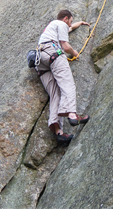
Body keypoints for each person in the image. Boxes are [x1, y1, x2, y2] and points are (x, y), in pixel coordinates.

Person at [36, 9, 90, 143]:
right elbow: (65, 47)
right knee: (68, 85)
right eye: (70, 21)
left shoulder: (52, 28)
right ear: (65, 18)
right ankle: (72, 114)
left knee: (56, 94)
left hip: (40, 60)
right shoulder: (60, 25)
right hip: (53, 53)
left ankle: (58, 132)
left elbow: (69, 28)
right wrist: (75, 53)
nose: (69, 25)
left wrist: (80, 23)